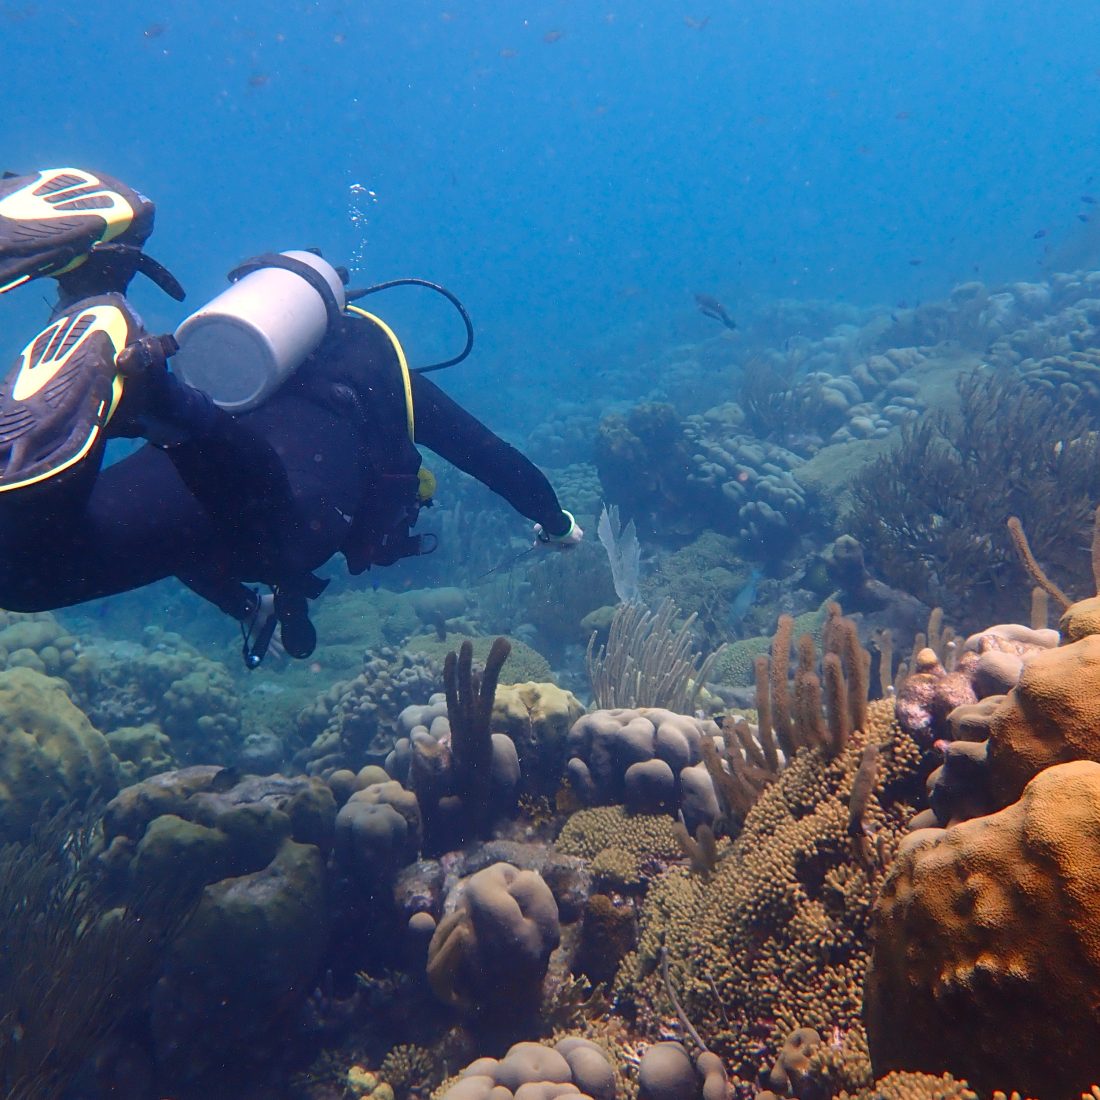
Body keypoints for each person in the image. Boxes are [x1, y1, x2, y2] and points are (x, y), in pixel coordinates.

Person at [0, 168, 582, 665]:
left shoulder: (259, 358)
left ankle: (97, 285)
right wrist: (556, 525)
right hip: (281, 511)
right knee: (25, 581)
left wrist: (246, 607)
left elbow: (186, 538)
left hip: (190, 463)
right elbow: (489, 457)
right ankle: (157, 397)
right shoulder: (388, 375)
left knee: (23, 566)